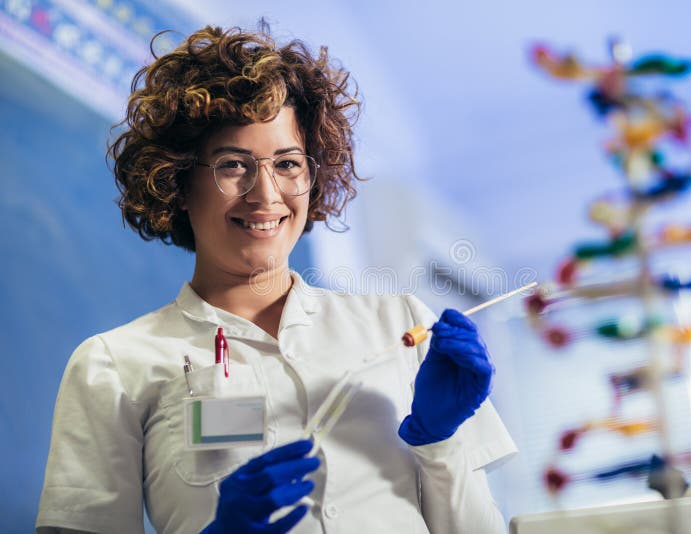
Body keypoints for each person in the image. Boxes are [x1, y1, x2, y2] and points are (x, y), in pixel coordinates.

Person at [36, 24, 516, 534]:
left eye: (287, 163)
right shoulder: (114, 364)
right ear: (176, 181)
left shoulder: (397, 324)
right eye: (233, 165)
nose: (266, 194)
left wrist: (438, 438)